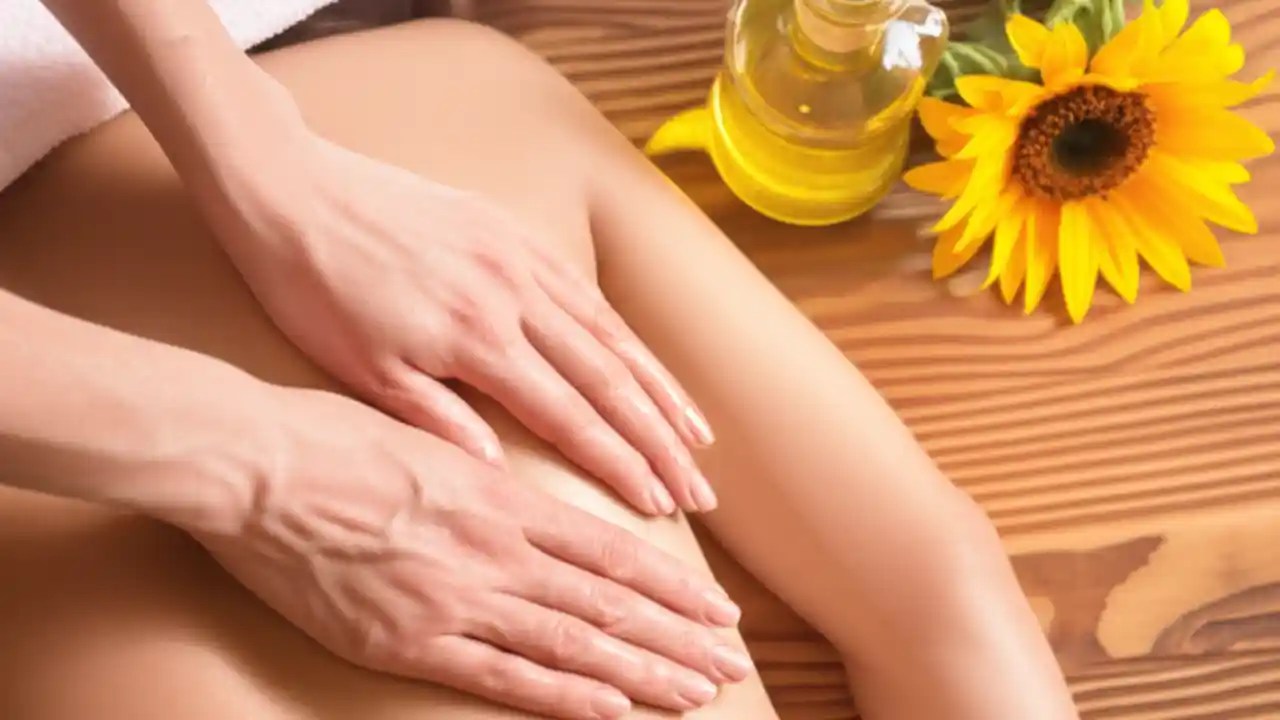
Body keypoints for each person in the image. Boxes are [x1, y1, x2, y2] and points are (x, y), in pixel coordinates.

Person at [0, 1, 1081, 719]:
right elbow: (933, 595)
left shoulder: (455, 110)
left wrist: (259, 158)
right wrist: (261, 463)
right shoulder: (461, 96)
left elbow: (933, 595)